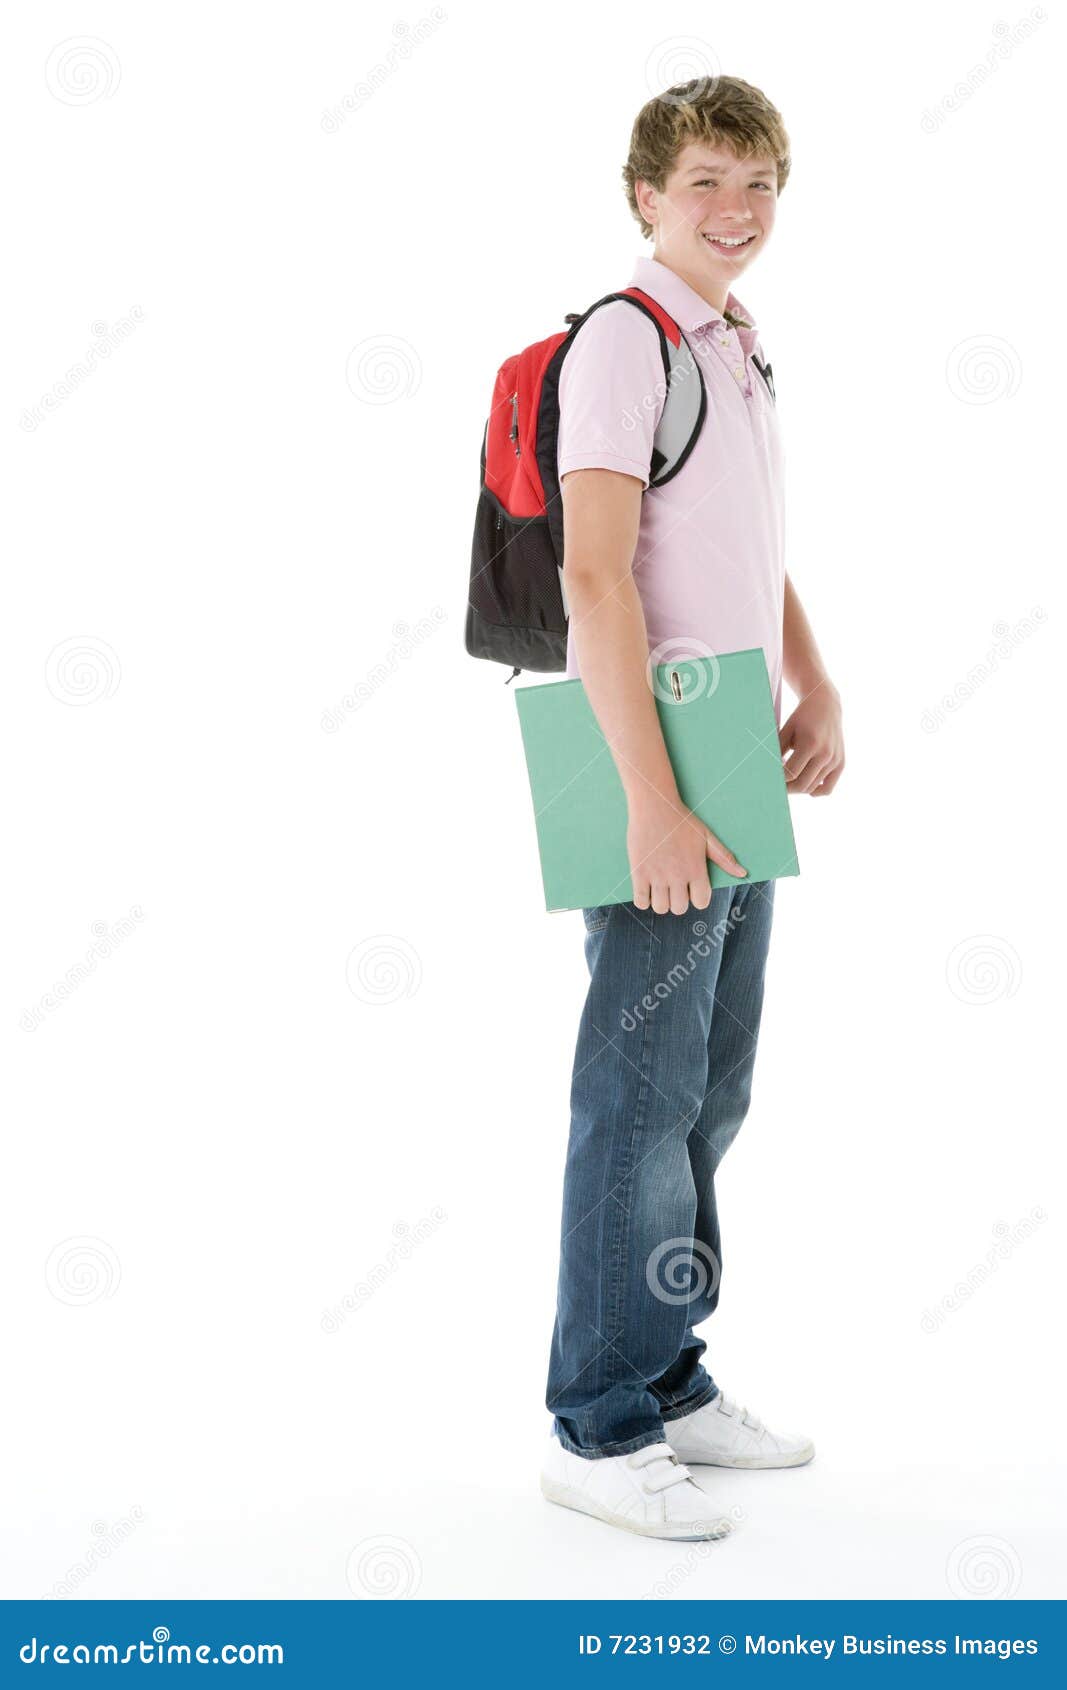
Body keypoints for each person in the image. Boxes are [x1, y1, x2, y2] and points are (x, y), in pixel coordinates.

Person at [540, 76, 845, 1541]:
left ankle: (664, 1375)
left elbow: (746, 540)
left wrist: (815, 680)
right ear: (646, 195)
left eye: (761, 183)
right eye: (709, 181)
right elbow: (594, 576)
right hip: (651, 747)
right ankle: (596, 1423)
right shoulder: (627, 337)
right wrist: (651, 803)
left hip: (728, 736)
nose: (738, 210)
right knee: (638, 1096)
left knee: (708, 1090)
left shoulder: (733, 338)